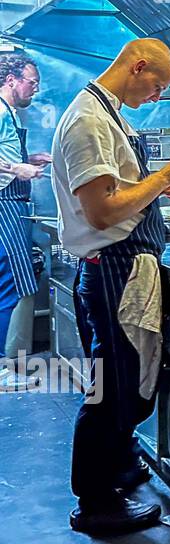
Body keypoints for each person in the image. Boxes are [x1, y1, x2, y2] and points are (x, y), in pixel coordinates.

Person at [52, 39, 170, 535]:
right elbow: (101, 211)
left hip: (124, 267)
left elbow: (120, 193)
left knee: (130, 384)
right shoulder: (88, 122)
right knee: (111, 390)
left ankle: (116, 468)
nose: (156, 96)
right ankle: (95, 503)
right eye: (156, 85)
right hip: (112, 271)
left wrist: (162, 185)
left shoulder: (105, 111)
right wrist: (161, 177)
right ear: (137, 66)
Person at [0, 54, 50, 391]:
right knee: (10, 284)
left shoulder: (8, 114)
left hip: (12, 204)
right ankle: (2, 371)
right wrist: (18, 169)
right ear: (12, 79)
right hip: (4, 205)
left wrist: (25, 160)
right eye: (32, 82)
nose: (35, 88)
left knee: (9, 283)